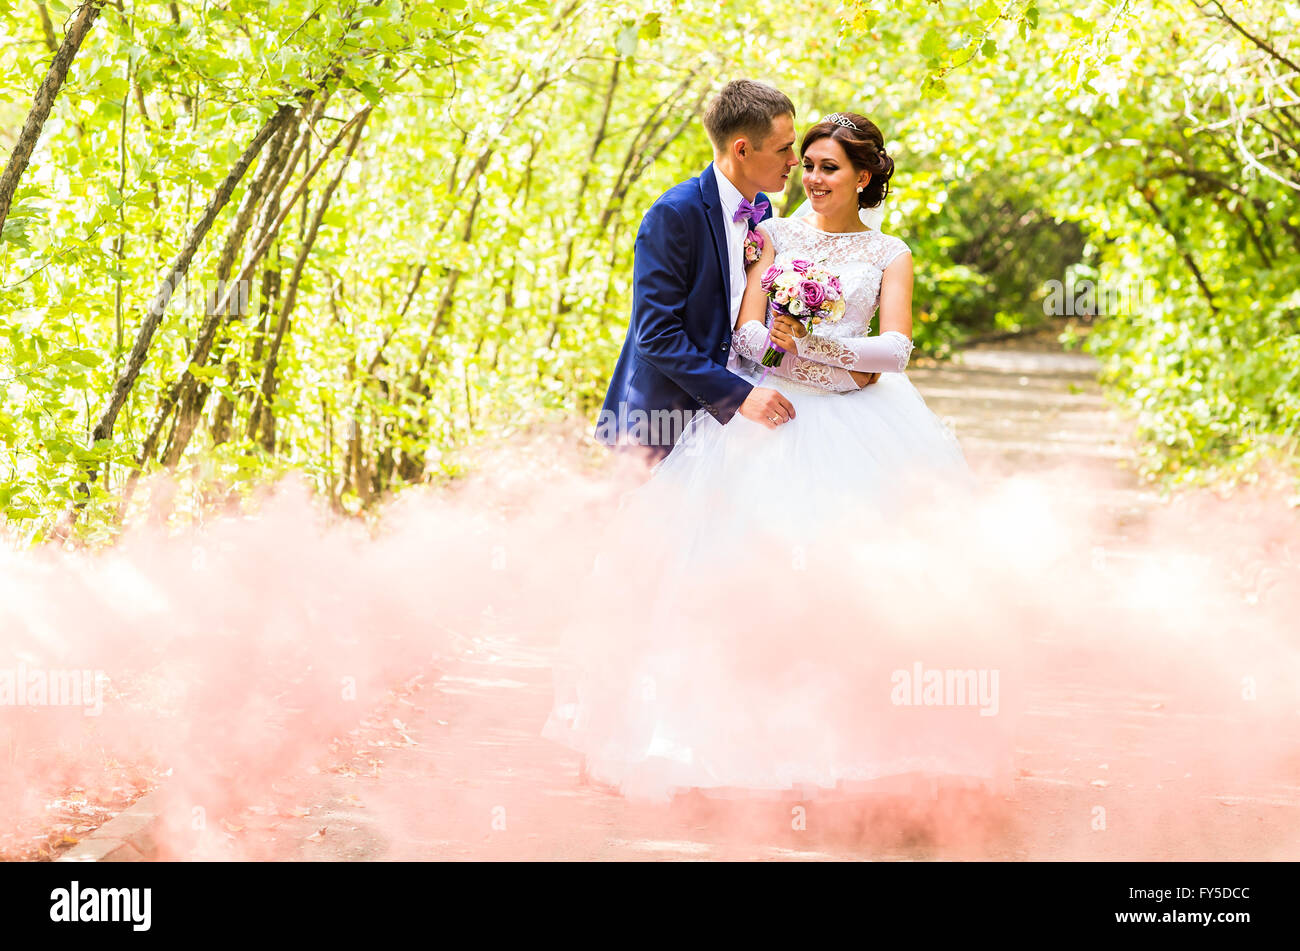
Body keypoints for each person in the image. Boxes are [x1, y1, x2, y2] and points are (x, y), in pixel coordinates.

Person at [545, 101, 1012, 804]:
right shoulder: (771, 234)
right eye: (805, 160)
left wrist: (825, 349)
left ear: (864, 177)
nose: (809, 174)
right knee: (727, 571)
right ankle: (729, 745)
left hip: (863, 421)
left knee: (866, 581)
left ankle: (871, 756)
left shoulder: (890, 253)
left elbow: (893, 349)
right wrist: (784, 348)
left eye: (826, 166)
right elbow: (743, 340)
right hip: (768, 413)